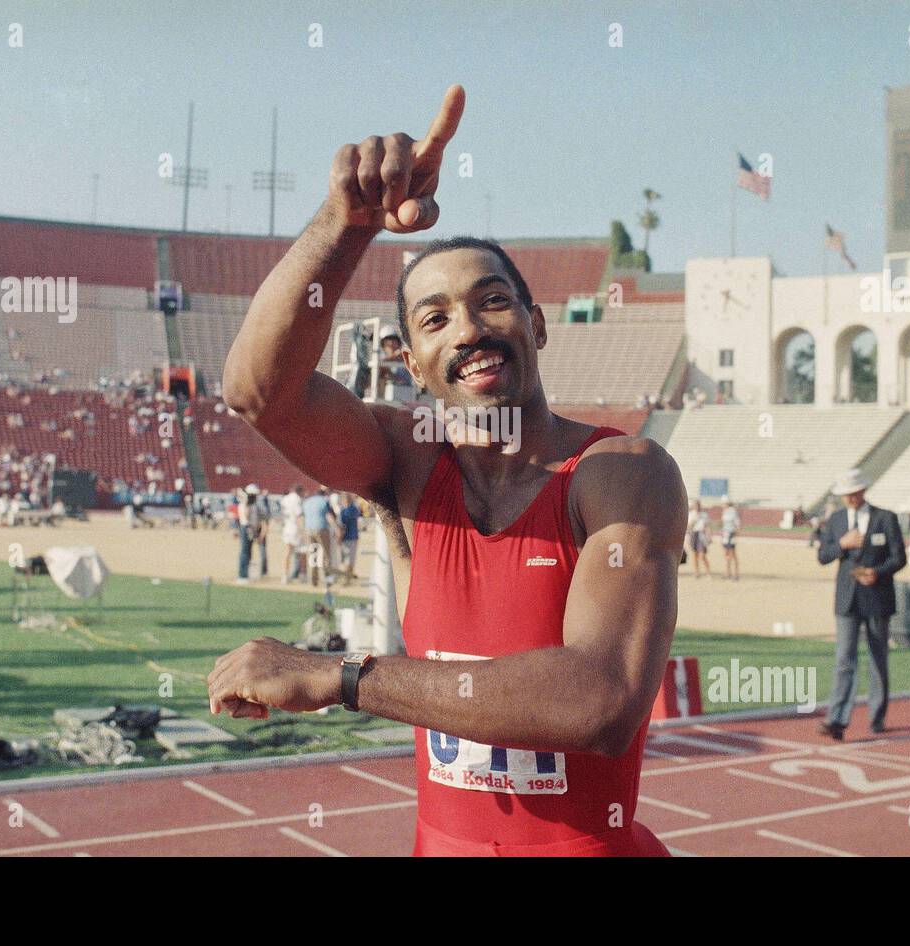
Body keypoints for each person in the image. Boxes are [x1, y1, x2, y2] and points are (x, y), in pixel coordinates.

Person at [210, 85, 686, 857]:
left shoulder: (623, 472)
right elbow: (256, 391)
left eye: (491, 302)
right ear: (410, 360)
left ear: (534, 326)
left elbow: (601, 701)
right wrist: (347, 222)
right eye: (434, 318)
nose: (467, 330)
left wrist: (342, 677)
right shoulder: (406, 464)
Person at [815, 468, 906, 740]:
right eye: (846, 495)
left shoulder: (885, 518)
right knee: (844, 659)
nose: (850, 499)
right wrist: (842, 544)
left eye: (854, 493)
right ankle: (837, 720)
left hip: (877, 598)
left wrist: (877, 572)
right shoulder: (837, 519)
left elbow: (899, 557)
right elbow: (823, 555)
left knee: (878, 660)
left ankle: (877, 716)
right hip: (847, 600)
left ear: (863, 491)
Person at [301, 486, 337, 587]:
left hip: (309, 529)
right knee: (326, 555)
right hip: (321, 528)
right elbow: (331, 515)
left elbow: (302, 516)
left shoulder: (307, 501)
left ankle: (314, 581)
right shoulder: (325, 500)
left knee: (313, 555)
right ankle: (327, 579)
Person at [236, 485, 268, 583]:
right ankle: (242, 575)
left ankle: (246, 573)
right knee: (245, 552)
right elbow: (246, 516)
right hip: (246, 528)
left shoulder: (252, 504)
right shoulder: (245, 504)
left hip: (250, 528)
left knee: (248, 552)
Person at [337, 493, 362, 586]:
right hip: (353, 537)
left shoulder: (344, 511)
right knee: (350, 559)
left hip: (346, 538)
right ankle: (347, 579)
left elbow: (341, 527)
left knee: (346, 559)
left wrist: (338, 538)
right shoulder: (354, 509)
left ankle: (346, 579)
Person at [688, 500, 711, 578]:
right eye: (695, 505)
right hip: (694, 534)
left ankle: (708, 572)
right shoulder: (691, 514)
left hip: (701, 534)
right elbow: (689, 527)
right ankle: (696, 572)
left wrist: (709, 536)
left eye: (698, 505)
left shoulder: (704, 515)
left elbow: (707, 526)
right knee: (694, 554)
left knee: (702, 555)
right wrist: (694, 520)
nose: (697, 507)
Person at [720, 498, 740, 581]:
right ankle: (728, 572)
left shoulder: (732, 512)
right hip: (725, 534)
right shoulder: (725, 512)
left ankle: (736, 574)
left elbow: (737, 524)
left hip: (730, 534)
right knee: (726, 554)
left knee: (733, 554)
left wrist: (735, 534)